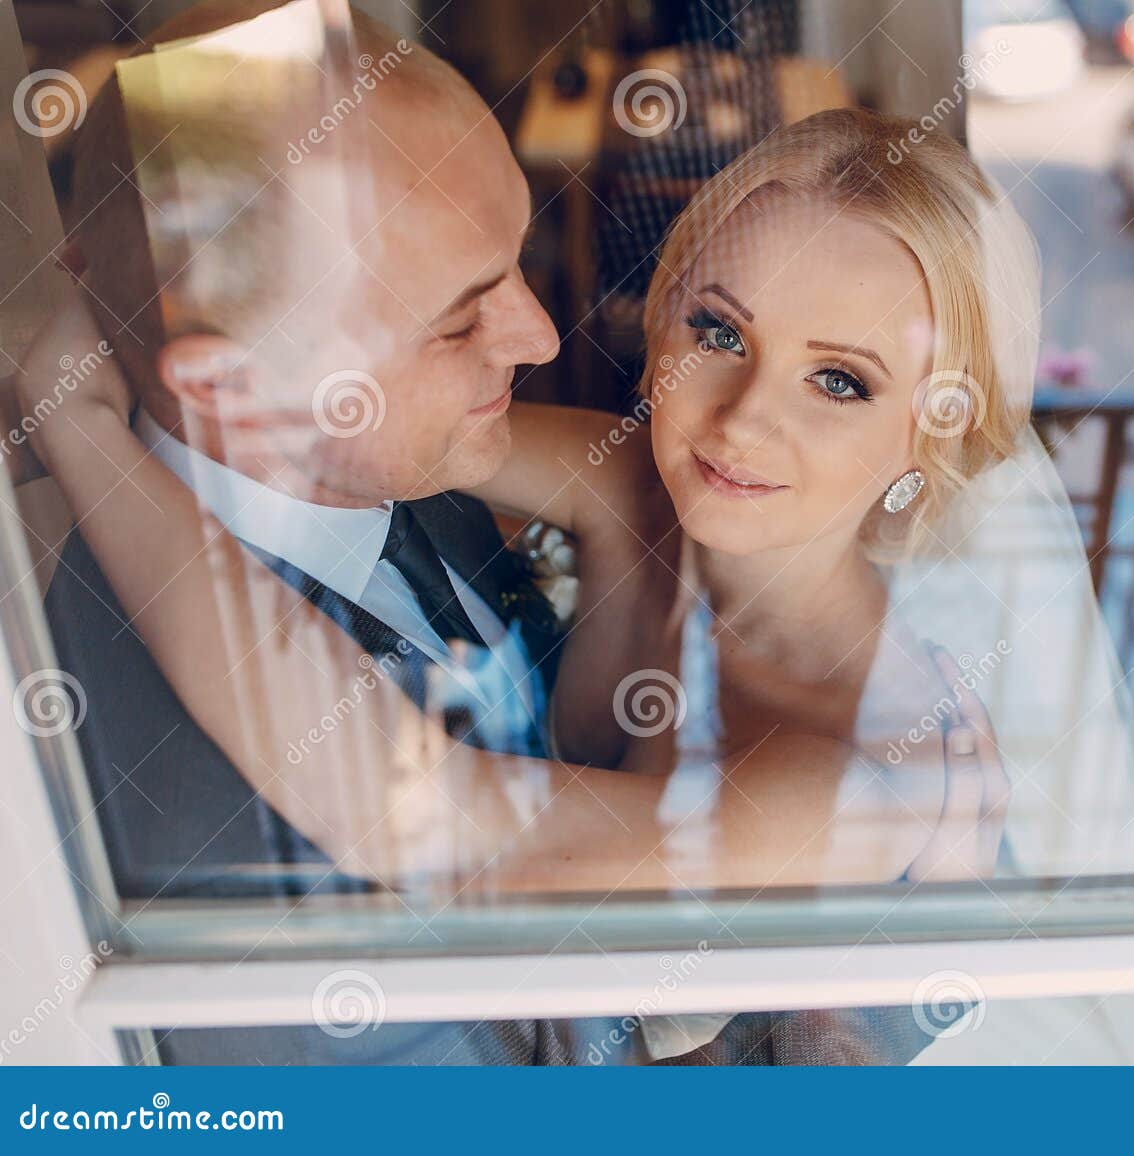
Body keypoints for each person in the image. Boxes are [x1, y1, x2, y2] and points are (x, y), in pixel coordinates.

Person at [14, 0, 993, 1065]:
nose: (537, 335)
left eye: (840, 378)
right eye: (460, 313)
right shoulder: (222, 834)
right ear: (241, 394)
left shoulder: (417, 452)